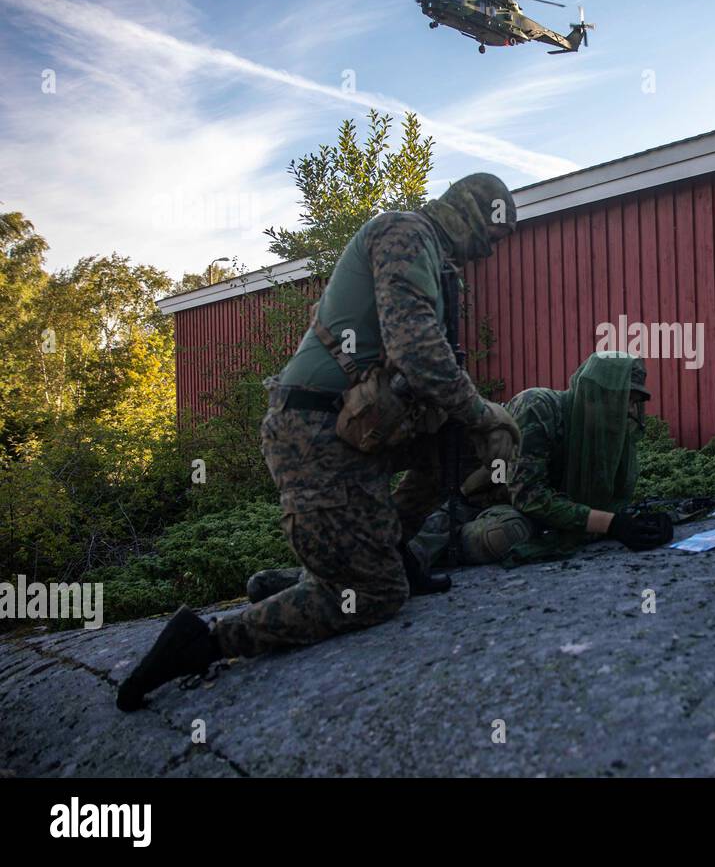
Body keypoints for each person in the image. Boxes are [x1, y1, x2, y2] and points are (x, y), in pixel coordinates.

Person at [117, 173, 521, 711]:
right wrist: (483, 413)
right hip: (315, 434)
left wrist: (472, 423)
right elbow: (419, 353)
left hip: (357, 433)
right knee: (377, 597)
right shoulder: (405, 233)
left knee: (456, 445)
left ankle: (382, 553)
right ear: (471, 212)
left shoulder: (435, 258)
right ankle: (206, 641)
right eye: (492, 234)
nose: (490, 249)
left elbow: (419, 373)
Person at [455, 351, 674, 565]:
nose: (631, 410)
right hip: (476, 501)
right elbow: (529, 496)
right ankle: (449, 543)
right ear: (594, 395)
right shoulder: (538, 407)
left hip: (532, 513)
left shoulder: (601, 436)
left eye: (635, 402)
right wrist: (611, 524)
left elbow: (601, 502)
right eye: (624, 399)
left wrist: (639, 523)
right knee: (505, 533)